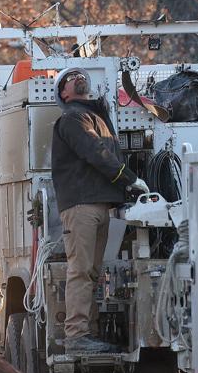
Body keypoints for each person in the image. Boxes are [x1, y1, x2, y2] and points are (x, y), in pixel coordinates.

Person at [51, 67, 148, 354]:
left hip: (98, 205)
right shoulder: (71, 118)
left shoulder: (95, 117)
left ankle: (87, 334)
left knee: (90, 272)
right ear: (64, 94)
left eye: (80, 76)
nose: (76, 79)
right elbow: (95, 152)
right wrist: (129, 180)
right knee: (81, 271)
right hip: (81, 206)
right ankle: (76, 335)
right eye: (69, 79)